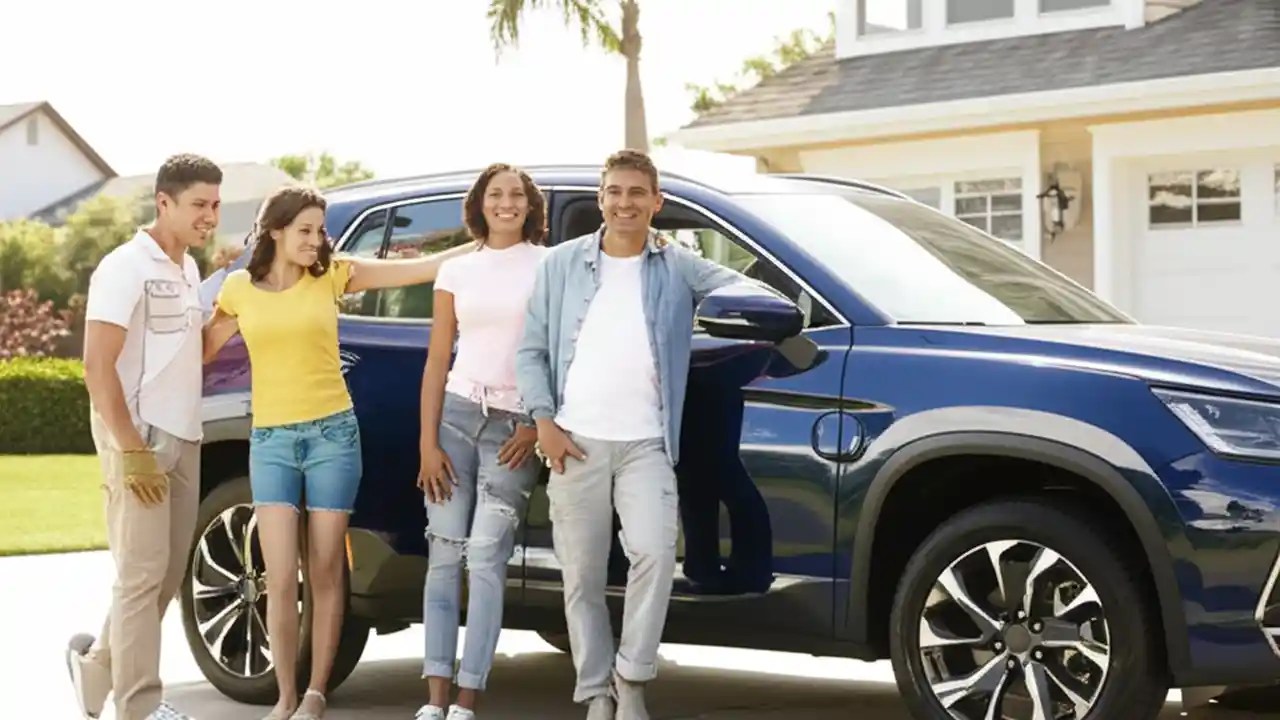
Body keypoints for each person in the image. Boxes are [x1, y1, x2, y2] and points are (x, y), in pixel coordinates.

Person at [201, 185, 471, 720]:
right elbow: (200, 349)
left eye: (319, 230)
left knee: (325, 569)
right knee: (280, 577)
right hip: (272, 441)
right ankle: (284, 696)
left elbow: (422, 268)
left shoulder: (333, 275)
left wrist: (489, 241)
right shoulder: (238, 289)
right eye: (304, 230)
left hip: (333, 437)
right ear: (274, 230)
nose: (315, 240)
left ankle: (316, 693)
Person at [515, 149, 757, 720]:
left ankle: (632, 678)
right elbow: (530, 350)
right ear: (601, 199)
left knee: (654, 553)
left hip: (647, 443)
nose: (625, 203)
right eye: (615, 192)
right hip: (575, 443)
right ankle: (596, 692)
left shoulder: (679, 265)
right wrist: (545, 424)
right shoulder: (560, 264)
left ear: (656, 202)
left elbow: (753, 295)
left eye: (637, 193)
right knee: (581, 578)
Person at [66, 153, 223, 720]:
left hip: (185, 433)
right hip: (139, 438)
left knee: (165, 576)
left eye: (215, 204)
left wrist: (228, 313)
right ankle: (139, 706)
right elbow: (96, 366)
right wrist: (131, 449)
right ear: (164, 202)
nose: (210, 216)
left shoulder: (188, 270)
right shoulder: (124, 266)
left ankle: (97, 668)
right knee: (140, 575)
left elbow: (192, 353)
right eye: (199, 204)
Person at [414, 163, 549, 720]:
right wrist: (427, 444)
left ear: (530, 205)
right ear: (479, 204)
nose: (506, 203)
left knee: (488, 558)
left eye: (517, 194)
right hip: (455, 420)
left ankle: (468, 698)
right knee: (444, 556)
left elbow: (560, 354)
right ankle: (435, 700)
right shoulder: (456, 271)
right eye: (496, 194)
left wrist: (539, 424)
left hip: (514, 428)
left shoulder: (549, 265)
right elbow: (437, 359)